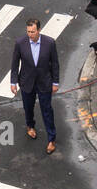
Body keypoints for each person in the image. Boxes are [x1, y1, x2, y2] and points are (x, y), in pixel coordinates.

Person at [10, 18, 60, 154]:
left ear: (39, 30)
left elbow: (55, 64)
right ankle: (30, 126)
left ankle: (51, 139)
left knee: (47, 110)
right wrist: (13, 82)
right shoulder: (20, 43)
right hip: (27, 82)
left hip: (44, 82)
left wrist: (55, 82)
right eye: (28, 32)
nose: (30, 34)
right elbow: (15, 64)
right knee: (28, 107)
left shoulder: (49, 43)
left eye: (32, 32)